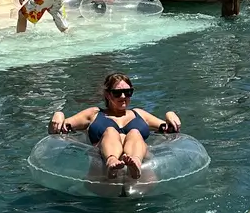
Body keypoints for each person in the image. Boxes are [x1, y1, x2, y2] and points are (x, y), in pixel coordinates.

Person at [49, 73, 181, 179]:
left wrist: (170, 114)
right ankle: (111, 161)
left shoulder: (140, 114)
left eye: (128, 92)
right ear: (107, 94)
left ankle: (135, 163)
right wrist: (58, 114)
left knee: (135, 133)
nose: (123, 96)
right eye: (117, 93)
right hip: (102, 176)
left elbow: (170, 128)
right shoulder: (94, 114)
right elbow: (55, 129)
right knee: (111, 131)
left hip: (142, 175)